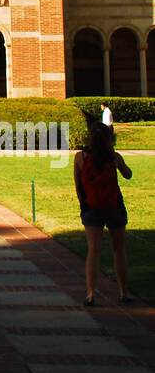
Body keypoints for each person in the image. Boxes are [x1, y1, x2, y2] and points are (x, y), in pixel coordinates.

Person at [74, 120, 132, 306]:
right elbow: (128, 174)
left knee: (93, 250)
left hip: (92, 207)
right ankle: (123, 292)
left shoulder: (80, 157)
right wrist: (119, 164)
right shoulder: (113, 156)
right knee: (119, 249)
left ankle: (90, 294)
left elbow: (78, 185)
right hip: (114, 206)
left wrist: (83, 205)